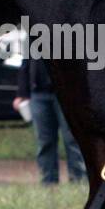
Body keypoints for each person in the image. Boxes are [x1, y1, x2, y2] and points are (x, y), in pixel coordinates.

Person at [13, 56, 86, 185]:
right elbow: (25, 62)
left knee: (71, 139)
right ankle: (48, 182)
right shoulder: (33, 36)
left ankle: (78, 181)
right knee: (44, 141)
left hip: (67, 92)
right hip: (38, 93)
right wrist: (21, 94)